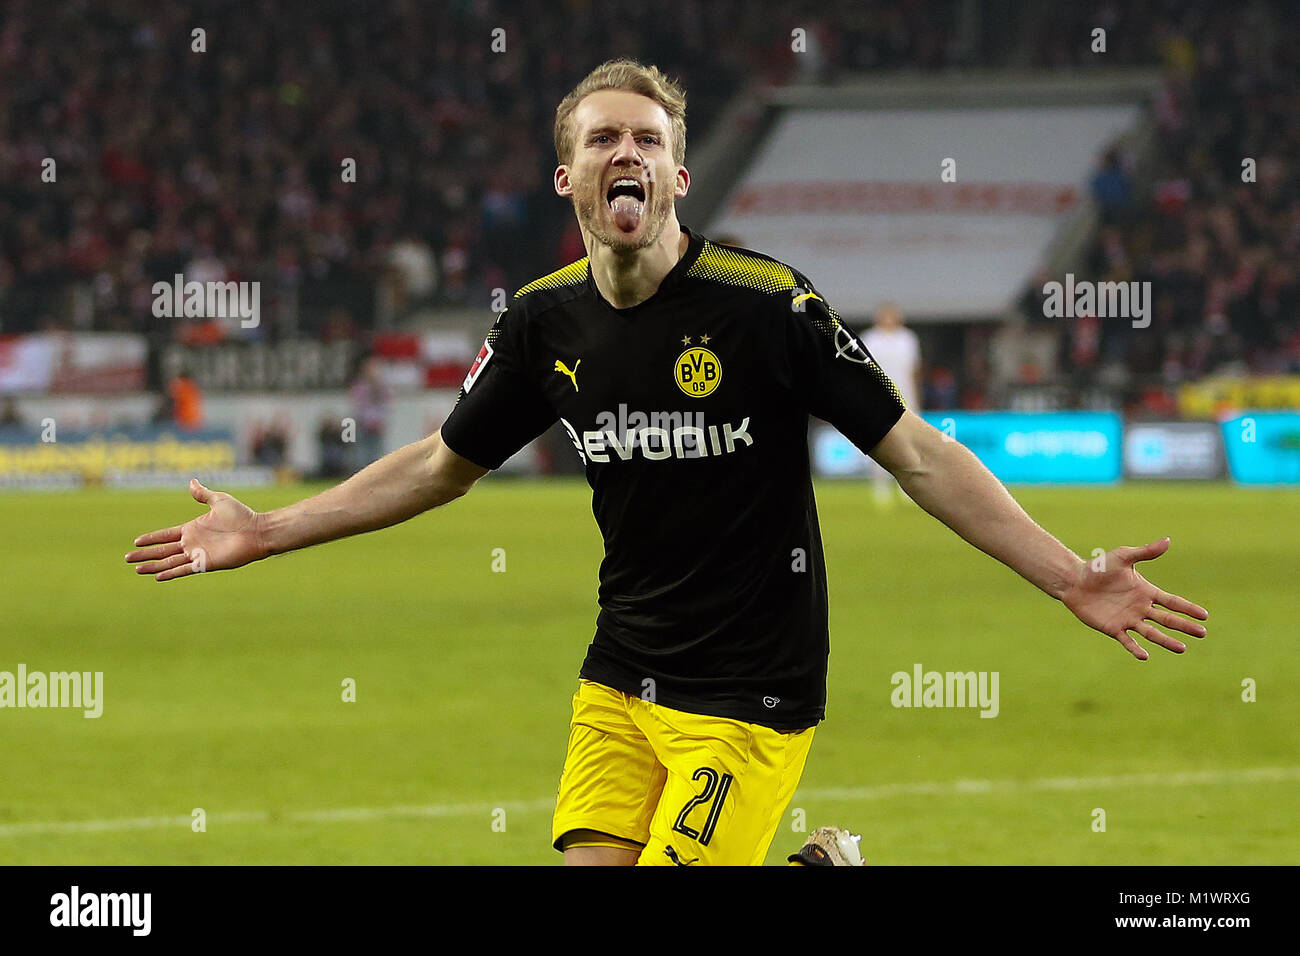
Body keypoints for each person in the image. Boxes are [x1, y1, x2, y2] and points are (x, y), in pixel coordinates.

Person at [126, 59, 1209, 867]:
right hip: (620, 668)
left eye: (645, 138)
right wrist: (266, 530)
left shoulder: (766, 305)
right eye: (601, 140)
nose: (625, 154)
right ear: (569, 177)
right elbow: (438, 466)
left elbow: (917, 454)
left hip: (751, 687)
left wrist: (1071, 574)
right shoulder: (542, 323)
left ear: (679, 173)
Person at [860, 302, 921, 505]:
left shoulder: (907, 339)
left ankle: (907, 488)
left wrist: (915, 397)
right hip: (878, 396)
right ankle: (880, 487)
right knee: (878, 443)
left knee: (907, 444)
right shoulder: (870, 338)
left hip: (905, 396)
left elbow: (914, 370)